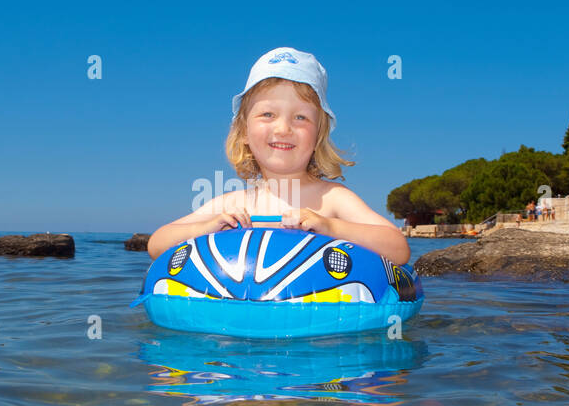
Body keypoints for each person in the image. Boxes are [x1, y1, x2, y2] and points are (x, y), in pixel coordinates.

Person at [147, 47, 411, 265]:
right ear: (244, 132)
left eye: (300, 117)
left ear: (318, 135)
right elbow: (157, 244)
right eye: (268, 115)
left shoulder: (333, 200)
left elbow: (398, 249)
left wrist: (331, 228)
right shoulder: (231, 204)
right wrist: (204, 229)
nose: (283, 128)